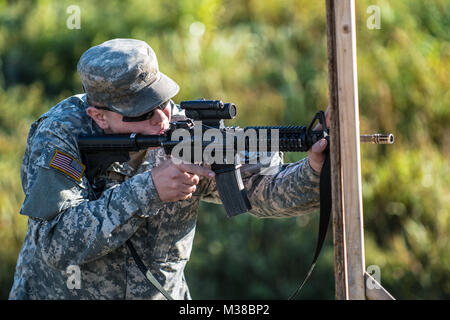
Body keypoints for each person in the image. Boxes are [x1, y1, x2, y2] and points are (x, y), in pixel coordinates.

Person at [9, 38, 329, 300]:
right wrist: (149, 190)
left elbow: (264, 193)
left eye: (162, 101)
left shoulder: (183, 128)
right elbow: (57, 244)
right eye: (142, 112)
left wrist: (313, 169)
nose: (162, 119)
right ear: (100, 116)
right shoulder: (60, 136)